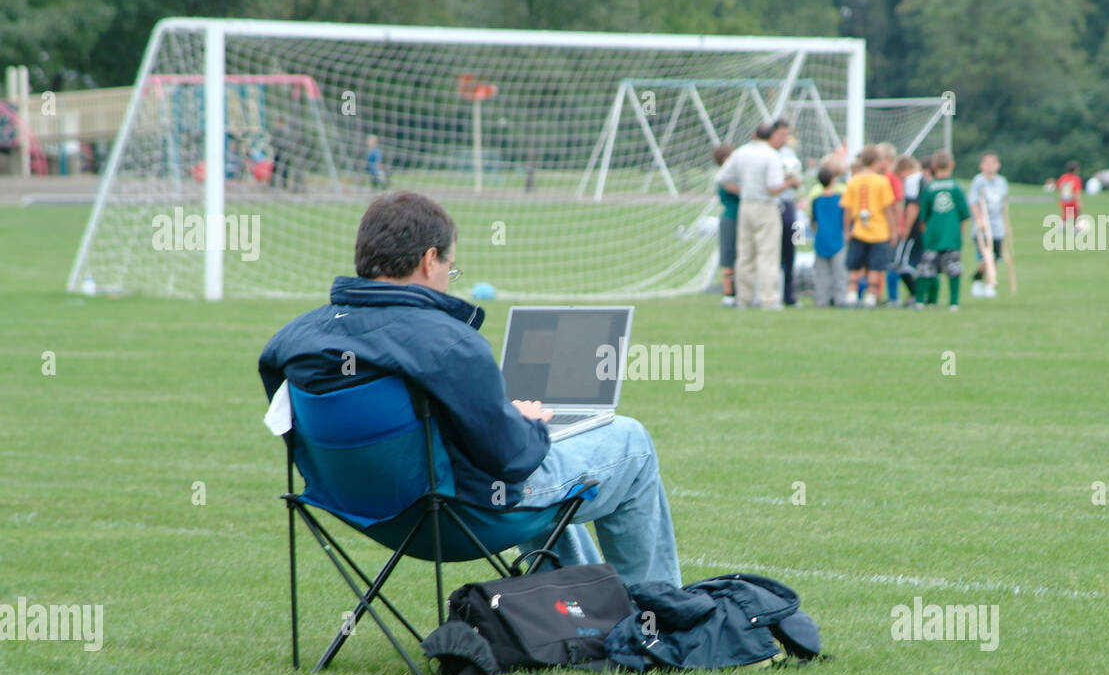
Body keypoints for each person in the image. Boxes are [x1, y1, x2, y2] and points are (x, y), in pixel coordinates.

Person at [258, 191, 682, 588]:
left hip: (366, 512)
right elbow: (513, 459)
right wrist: (528, 424)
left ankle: (579, 609)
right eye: (450, 267)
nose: (448, 278)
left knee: (554, 465)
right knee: (631, 442)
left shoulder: (294, 341)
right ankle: (657, 615)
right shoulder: (447, 343)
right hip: (461, 516)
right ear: (429, 260)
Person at [714, 122, 798, 309]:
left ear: (754, 135)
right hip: (766, 206)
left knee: (745, 255)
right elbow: (774, 187)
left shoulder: (741, 152)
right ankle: (769, 299)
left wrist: (742, 189)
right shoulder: (771, 155)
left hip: (746, 205)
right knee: (767, 254)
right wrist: (791, 183)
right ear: (771, 137)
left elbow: (721, 178)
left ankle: (744, 298)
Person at [841, 145, 898, 308]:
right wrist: (893, 230)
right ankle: (871, 297)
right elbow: (888, 208)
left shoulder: (853, 181)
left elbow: (847, 209)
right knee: (875, 266)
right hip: (879, 231)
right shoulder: (882, 181)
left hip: (858, 230)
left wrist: (846, 230)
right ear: (875, 162)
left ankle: (851, 295)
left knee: (855, 265)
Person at [917, 149, 970, 310]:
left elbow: (923, 216)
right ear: (952, 164)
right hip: (952, 235)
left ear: (933, 166)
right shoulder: (957, 187)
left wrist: (926, 233)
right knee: (953, 268)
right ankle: (953, 302)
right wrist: (960, 233)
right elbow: (963, 215)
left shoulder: (929, 187)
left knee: (927, 268)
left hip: (932, 235)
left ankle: (922, 301)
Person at [967, 150, 1010, 298]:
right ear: (981, 165)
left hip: (997, 226)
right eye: (987, 162)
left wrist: (1006, 224)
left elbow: (1004, 203)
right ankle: (978, 279)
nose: (990, 166)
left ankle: (990, 284)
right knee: (985, 257)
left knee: (996, 257)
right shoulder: (978, 181)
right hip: (983, 227)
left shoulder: (1001, 182)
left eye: (993, 162)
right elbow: (973, 202)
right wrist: (979, 219)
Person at [807, 164, 848, 306]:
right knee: (839, 272)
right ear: (832, 180)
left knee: (821, 274)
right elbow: (845, 218)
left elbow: (813, 220)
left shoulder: (816, 200)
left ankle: (821, 300)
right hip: (837, 238)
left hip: (821, 238)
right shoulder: (840, 199)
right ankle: (840, 299)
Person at [772, 121, 802, 306]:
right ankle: (771, 293)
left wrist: (794, 183)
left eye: (787, 134)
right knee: (771, 252)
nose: (785, 138)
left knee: (792, 246)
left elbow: (797, 181)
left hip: (789, 205)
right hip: (772, 206)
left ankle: (789, 295)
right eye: (782, 134)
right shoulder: (767, 154)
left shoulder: (790, 154)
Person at [876, 143, 906, 306]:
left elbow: (897, 204)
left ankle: (893, 297)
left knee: (892, 263)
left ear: (887, 160)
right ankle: (878, 295)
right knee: (879, 263)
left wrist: (896, 227)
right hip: (881, 227)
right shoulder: (880, 178)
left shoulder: (891, 179)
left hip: (891, 228)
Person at [894, 154, 925, 307]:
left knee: (901, 263)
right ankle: (922, 296)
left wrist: (906, 228)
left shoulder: (913, 180)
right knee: (921, 264)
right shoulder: (925, 179)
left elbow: (913, 206)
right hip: (924, 230)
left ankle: (917, 294)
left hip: (914, 231)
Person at [711, 142, 739, 306]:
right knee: (729, 258)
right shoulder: (725, 177)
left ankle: (738, 291)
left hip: (740, 218)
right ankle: (728, 294)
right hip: (730, 219)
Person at [1057, 160, 1084, 229]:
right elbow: (1076, 191)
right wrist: (1078, 202)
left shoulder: (1063, 177)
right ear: (1076, 169)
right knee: (1076, 215)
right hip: (1072, 200)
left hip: (1064, 199)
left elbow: (1059, 188)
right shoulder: (1075, 179)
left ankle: (1063, 226)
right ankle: (1075, 228)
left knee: (1066, 214)